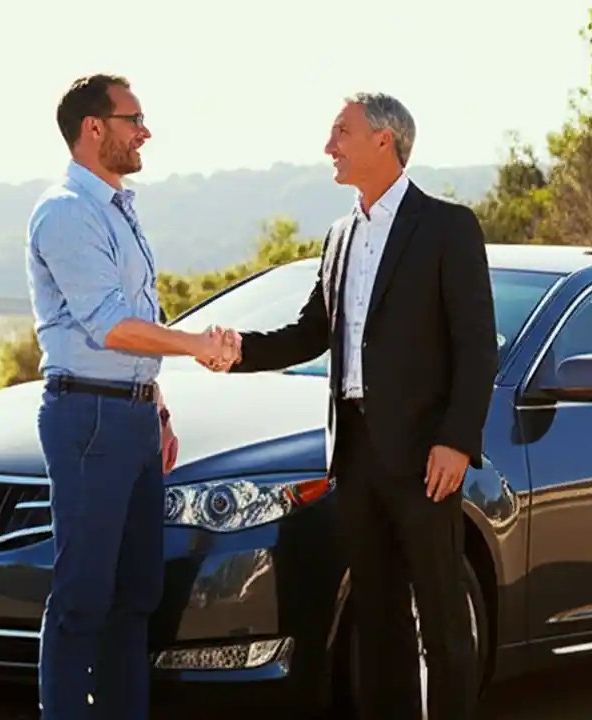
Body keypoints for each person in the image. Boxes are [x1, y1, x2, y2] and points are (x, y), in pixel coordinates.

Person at [203, 92, 497, 719]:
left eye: (341, 132)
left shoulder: (447, 227)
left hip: (425, 458)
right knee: (378, 617)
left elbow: (476, 347)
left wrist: (457, 439)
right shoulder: (339, 236)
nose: (329, 146)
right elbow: (310, 333)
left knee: (444, 620)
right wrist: (234, 351)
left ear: (384, 141)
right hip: (354, 454)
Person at [24, 73, 231, 720]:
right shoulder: (65, 212)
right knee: (83, 597)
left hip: (133, 417)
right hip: (88, 419)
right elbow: (109, 323)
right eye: (133, 118)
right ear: (94, 129)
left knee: (135, 594)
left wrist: (158, 404)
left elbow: (136, 319)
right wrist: (199, 344)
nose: (145, 131)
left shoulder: (118, 207)